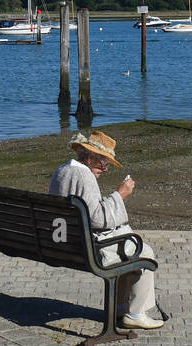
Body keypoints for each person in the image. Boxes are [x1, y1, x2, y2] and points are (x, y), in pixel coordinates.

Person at [49, 130, 162, 330]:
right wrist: (120, 195)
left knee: (129, 248)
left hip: (64, 242)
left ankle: (119, 308)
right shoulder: (85, 177)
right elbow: (98, 219)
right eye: (104, 163)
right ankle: (135, 313)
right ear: (90, 157)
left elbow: (86, 211)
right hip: (88, 250)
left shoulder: (62, 170)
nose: (106, 169)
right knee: (144, 252)